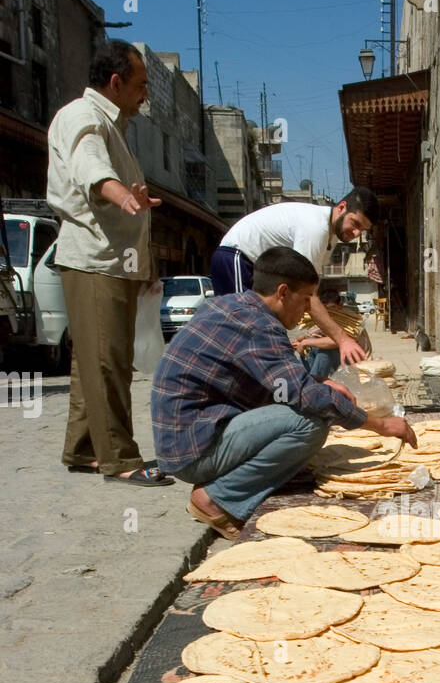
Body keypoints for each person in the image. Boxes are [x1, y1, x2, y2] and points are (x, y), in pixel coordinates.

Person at [151, 246, 416, 538]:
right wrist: (381, 425)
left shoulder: (231, 307)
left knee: (313, 403)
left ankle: (230, 486)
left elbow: (280, 383)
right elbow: (308, 398)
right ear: (283, 292)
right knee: (311, 422)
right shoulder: (260, 326)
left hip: (185, 440)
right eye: (305, 300)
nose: (307, 311)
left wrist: (320, 381)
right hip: (194, 449)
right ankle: (215, 500)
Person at [46, 40, 173, 485]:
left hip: (113, 260)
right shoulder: (82, 117)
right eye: (140, 86)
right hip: (94, 259)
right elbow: (90, 167)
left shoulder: (110, 123)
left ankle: (83, 449)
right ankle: (119, 458)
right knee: (108, 361)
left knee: (92, 360)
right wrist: (120, 194)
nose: (145, 96)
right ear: (116, 83)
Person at [210, 188, 379, 374]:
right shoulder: (316, 229)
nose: (356, 233)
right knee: (241, 332)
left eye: (361, 230)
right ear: (341, 207)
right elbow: (310, 294)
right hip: (237, 258)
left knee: (264, 332)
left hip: (263, 270)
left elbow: (309, 289)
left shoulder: (329, 238)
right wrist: (342, 339)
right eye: (354, 223)